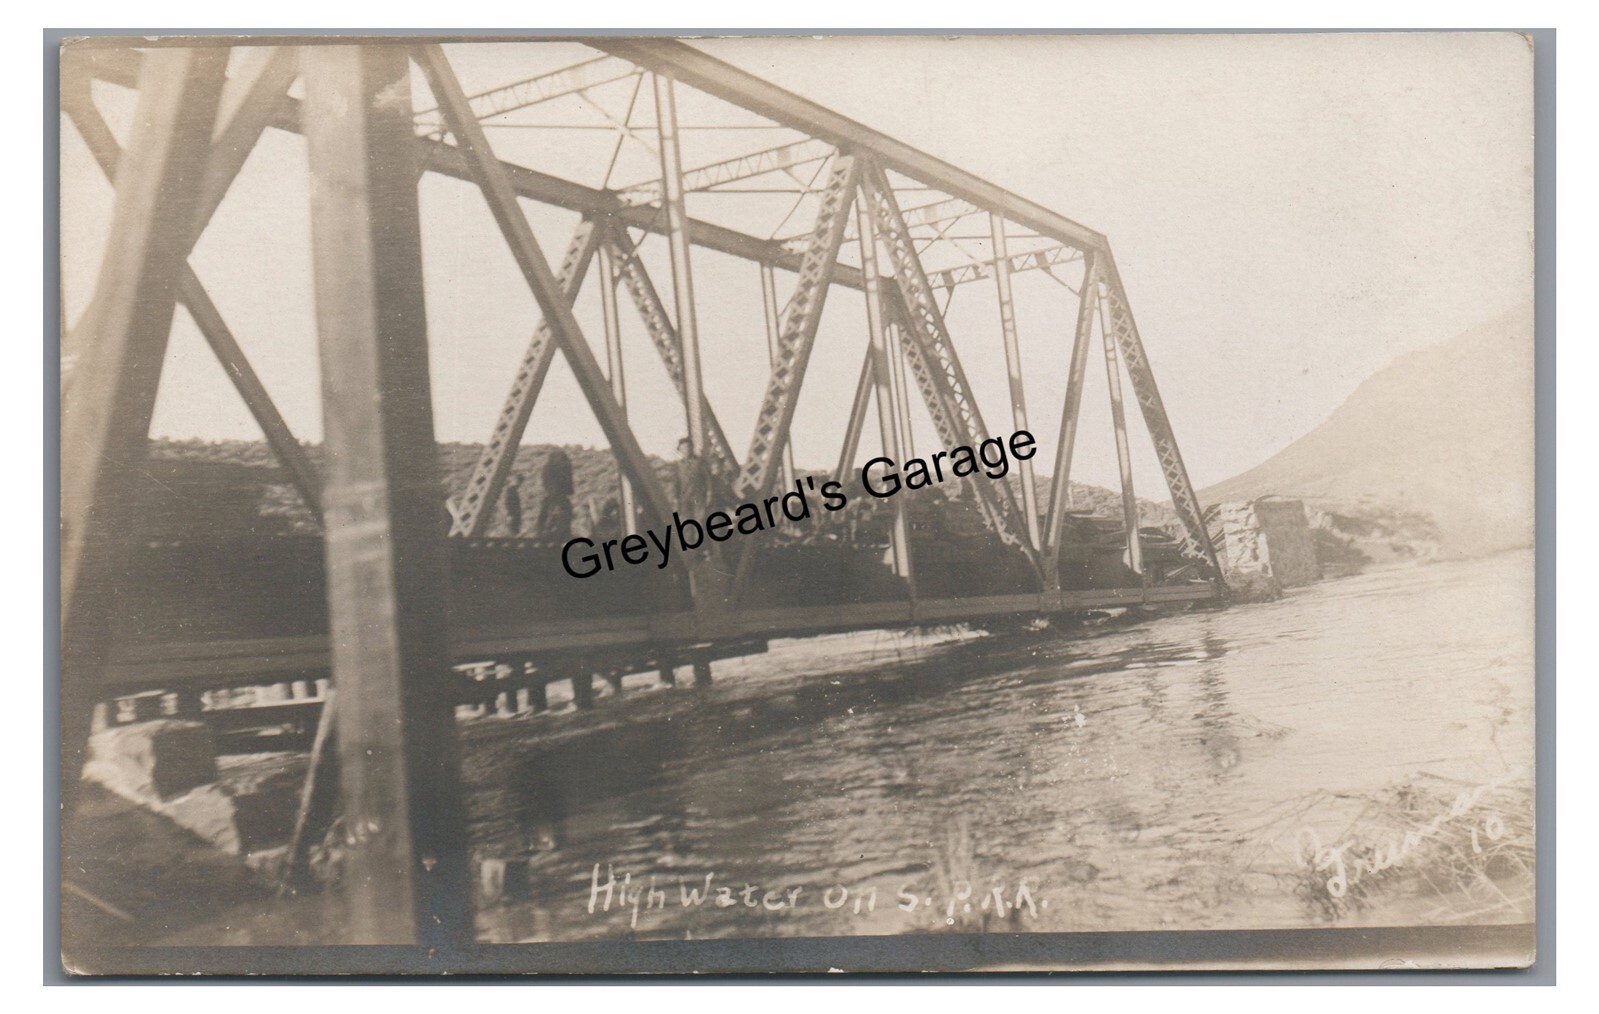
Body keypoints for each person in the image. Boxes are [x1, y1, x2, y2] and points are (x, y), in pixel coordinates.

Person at [535, 448, 574, 541]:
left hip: (553, 495)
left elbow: (548, 482)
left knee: (549, 516)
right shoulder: (564, 465)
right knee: (561, 514)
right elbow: (568, 483)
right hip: (558, 496)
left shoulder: (549, 466)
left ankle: (544, 534)